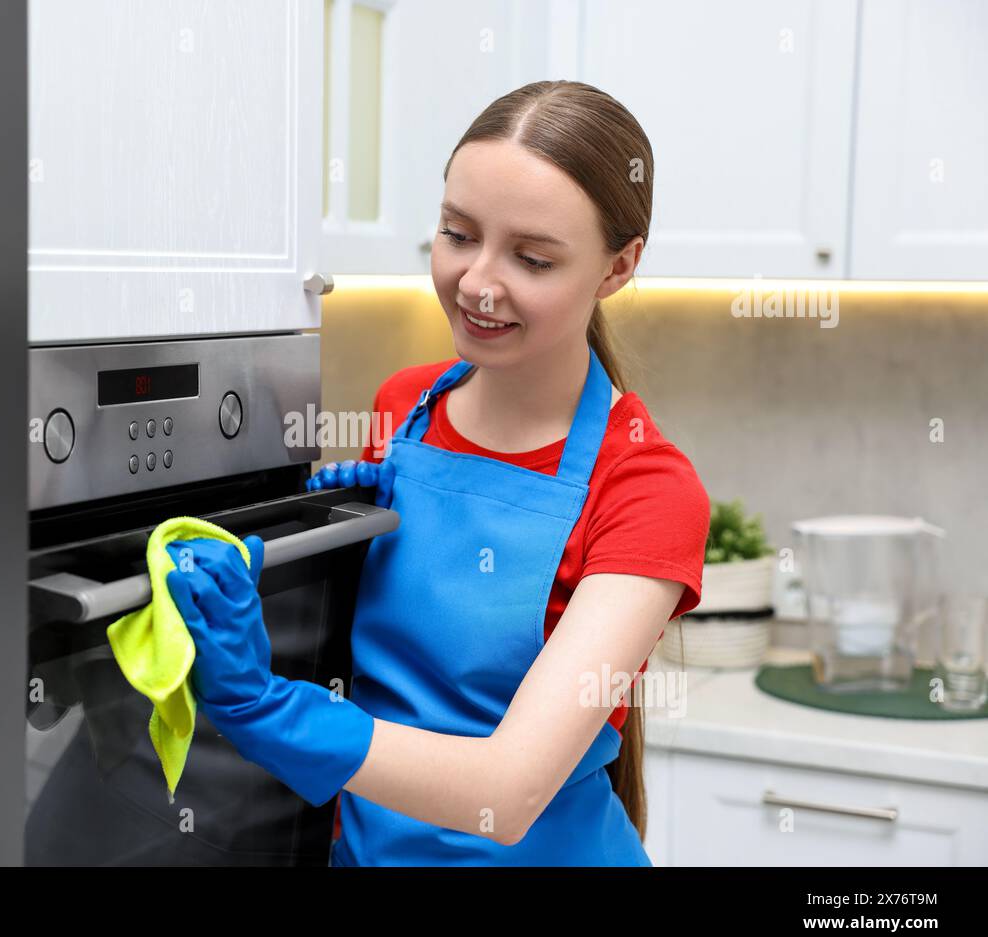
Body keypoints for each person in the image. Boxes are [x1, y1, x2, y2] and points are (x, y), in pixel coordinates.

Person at [166, 80, 710, 865]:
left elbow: (509, 791)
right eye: (458, 234)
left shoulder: (646, 488)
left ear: (618, 267)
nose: (478, 283)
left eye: (531, 257)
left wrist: (269, 707)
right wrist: (293, 562)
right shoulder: (403, 409)